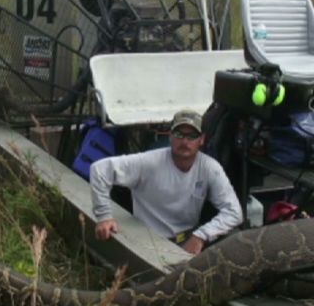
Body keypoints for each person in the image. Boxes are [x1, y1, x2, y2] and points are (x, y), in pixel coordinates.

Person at [90, 109, 243, 254]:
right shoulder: (149, 162)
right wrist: (104, 217)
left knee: (236, 238)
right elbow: (99, 169)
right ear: (170, 136)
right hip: (149, 241)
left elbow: (235, 212)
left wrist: (201, 236)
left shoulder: (210, 167)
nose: (185, 141)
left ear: (202, 140)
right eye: (179, 134)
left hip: (189, 239)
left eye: (192, 136)